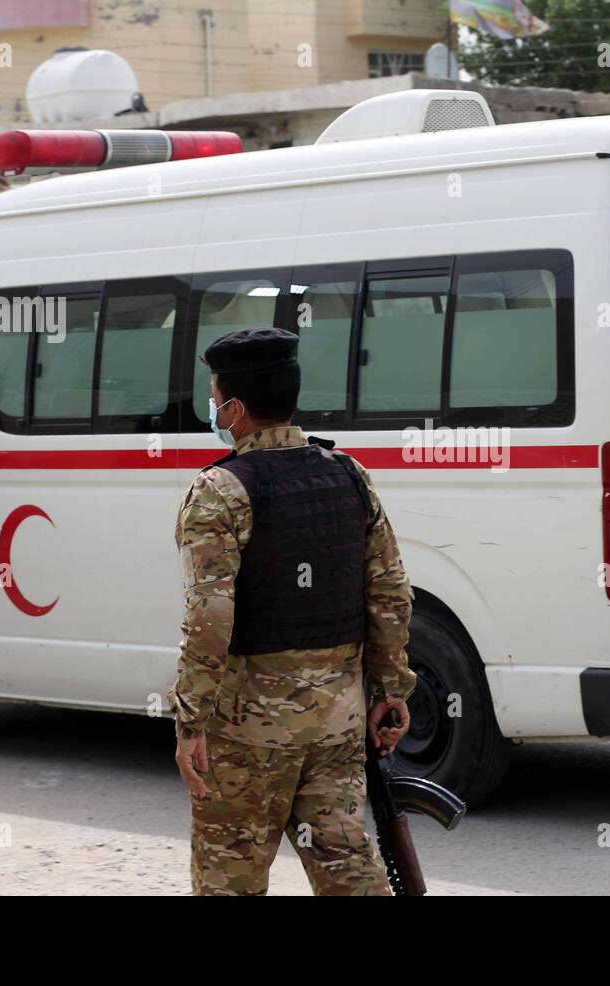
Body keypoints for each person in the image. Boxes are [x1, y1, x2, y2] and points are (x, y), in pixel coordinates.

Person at [168, 327, 416, 896]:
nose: (213, 406)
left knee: (231, 882)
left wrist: (189, 721)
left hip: (246, 734)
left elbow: (209, 617)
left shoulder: (219, 491)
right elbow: (390, 594)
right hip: (338, 724)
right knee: (350, 876)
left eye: (215, 395)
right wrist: (389, 690)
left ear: (233, 407)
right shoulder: (348, 475)